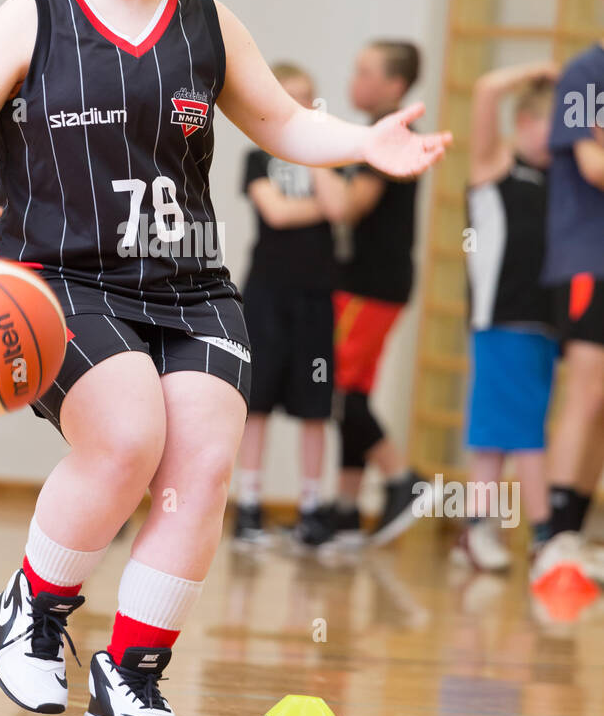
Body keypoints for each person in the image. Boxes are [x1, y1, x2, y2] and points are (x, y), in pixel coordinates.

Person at [0, 0, 450, 716]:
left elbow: (280, 122)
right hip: (56, 276)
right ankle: (33, 606)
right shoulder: (36, 12)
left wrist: (361, 141)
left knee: (199, 469)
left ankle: (132, 677)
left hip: (190, 284)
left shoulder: (205, 20)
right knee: (127, 439)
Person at [299, 41, 430, 550]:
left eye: (366, 73)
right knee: (350, 392)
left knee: (340, 393)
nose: (355, 81)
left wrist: (309, 152)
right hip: (366, 284)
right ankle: (348, 508)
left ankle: (404, 480)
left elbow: (348, 208)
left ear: (395, 87)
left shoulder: (394, 136)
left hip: (372, 285)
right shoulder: (375, 135)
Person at [454, 63, 559, 572]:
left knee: (497, 434)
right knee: (526, 432)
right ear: (523, 120)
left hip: (544, 324)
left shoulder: (556, 177)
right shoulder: (494, 165)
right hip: (502, 319)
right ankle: (545, 534)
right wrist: (545, 70)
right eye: (551, 123)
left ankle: (477, 528)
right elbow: (485, 86)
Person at [232, 63, 340, 544]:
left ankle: (312, 509)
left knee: (314, 405)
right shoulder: (258, 158)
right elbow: (273, 212)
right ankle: (250, 505)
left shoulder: (329, 160)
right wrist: (311, 208)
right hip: (266, 295)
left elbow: (339, 208)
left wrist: (317, 158)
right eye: (289, 97)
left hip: (316, 297)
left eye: (308, 99)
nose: (300, 108)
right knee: (257, 403)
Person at [536, 22, 604, 584]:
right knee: (587, 392)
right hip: (588, 258)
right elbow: (594, 165)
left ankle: (575, 530)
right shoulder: (585, 74)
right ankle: (554, 532)